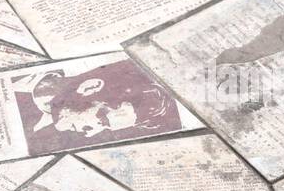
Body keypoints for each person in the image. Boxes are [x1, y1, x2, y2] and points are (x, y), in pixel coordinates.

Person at [18, 60, 179, 151]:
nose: (90, 134)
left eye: (104, 128)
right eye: (101, 120)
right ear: (89, 87)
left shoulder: (39, 128)